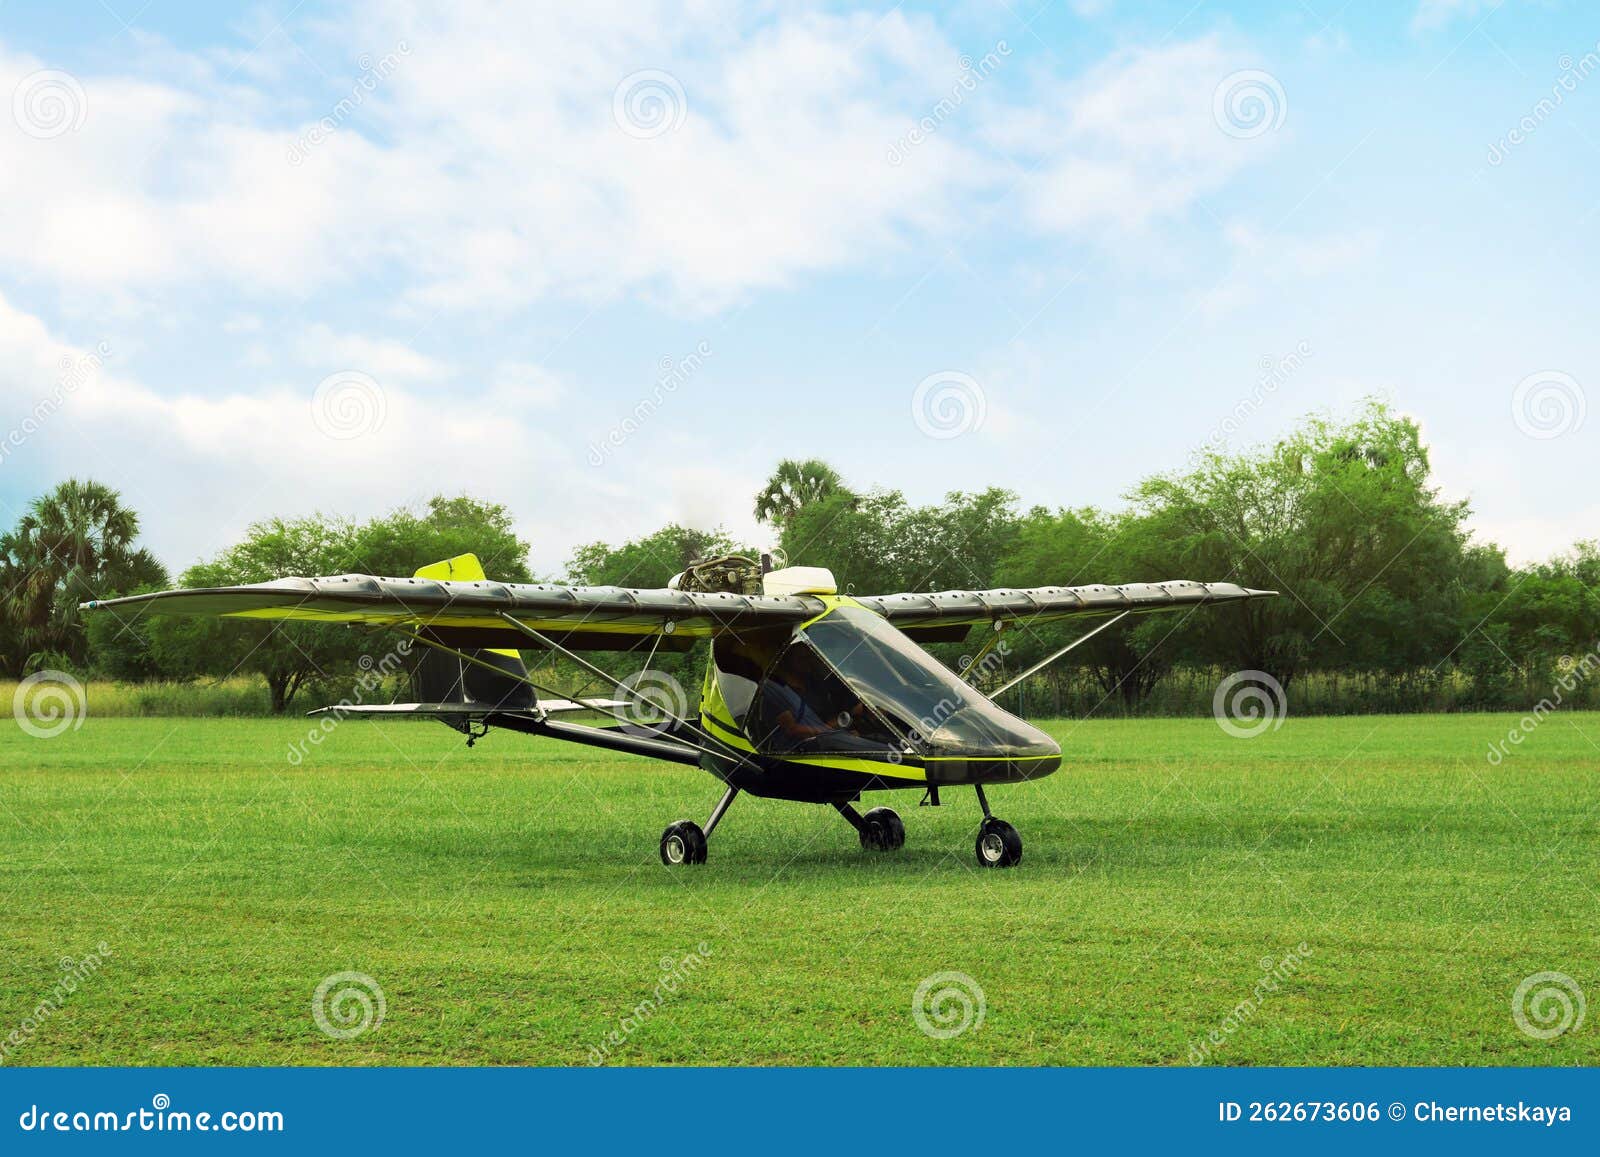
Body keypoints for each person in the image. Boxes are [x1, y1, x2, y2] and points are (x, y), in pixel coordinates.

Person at [759, 646, 886, 754]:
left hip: (832, 736)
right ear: (787, 661)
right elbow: (793, 730)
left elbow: (839, 710)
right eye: (802, 659)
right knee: (878, 751)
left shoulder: (814, 683)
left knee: (881, 739)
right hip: (802, 749)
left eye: (810, 658)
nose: (808, 662)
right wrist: (828, 730)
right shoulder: (773, 692)